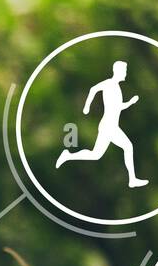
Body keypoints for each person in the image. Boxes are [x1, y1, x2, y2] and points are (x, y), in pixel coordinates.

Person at [54, 59, 148, 188]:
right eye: (124, 71)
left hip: (111, 126)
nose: (125, 73)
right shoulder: (109, 84)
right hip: (109, 126)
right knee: (127, 147)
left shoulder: (116, 87)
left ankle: (68, 156)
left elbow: (117, 107)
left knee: (96, 154)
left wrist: (130, 103)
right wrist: (87, 106)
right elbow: (94, 89)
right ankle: (132, 179)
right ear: (118, 71)